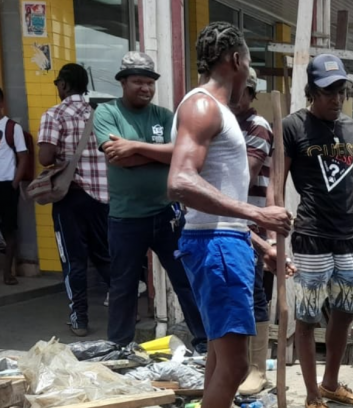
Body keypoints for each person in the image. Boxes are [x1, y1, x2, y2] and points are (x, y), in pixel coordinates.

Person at [168, 22, 292, 408]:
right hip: (215, 246)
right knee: (236, 363)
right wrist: (256, 214)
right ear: (237, 60)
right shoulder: (202, 106)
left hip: (228, 241)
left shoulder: (217, 112)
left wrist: (254, 238)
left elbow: (217, 197)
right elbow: (180, 180)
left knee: (223, 359)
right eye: (249, 62)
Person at [281, 54, 353, 408]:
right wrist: (272, 223)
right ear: (311, 92)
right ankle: (310, 394)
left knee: (345, 310)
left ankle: (331, 383)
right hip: (311, 236)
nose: (336, 99)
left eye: (341, 91)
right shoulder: (293, 127)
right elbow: (278, 181)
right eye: (328, 92)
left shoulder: (349, 129)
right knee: (307, 317)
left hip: (346, 238)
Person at [93, 52, 207, 351]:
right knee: (124, 286)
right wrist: (158, 154)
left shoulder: (164, 116)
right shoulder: (107, 113)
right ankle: (118, 348)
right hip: (125, 217)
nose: (145, 88)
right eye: (138, 82)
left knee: (186, 279)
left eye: (149, 82)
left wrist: (134, 147)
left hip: (166, 213)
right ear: (123, 83)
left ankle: (205, 342)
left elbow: (182, 154)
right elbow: (119, 160)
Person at [38, 63, 112, 336]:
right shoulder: (102, 114)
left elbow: (45, 157)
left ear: (65, 85)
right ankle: (127, 310)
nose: (57, 88)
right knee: (105, 257)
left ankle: (79, 318)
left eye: (58, 83)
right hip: (103, 199)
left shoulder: (54, 115)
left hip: (71, 197)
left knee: (73, 260)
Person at [231, 67, 283, 395]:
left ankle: (257, 368)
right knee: (239, 295)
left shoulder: (256, 126)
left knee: (255, 295)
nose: (234, 98)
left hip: (249, 222)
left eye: (242, 93)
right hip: (227, 221)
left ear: (251, 96)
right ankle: (239, 366)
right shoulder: (219, 124)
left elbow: (244, 178)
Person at [0, 87, 30, 285]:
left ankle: (7, 274)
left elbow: (23, 156)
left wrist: (14, 182)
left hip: (5, 185)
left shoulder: (12, 128)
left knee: (9, 230)